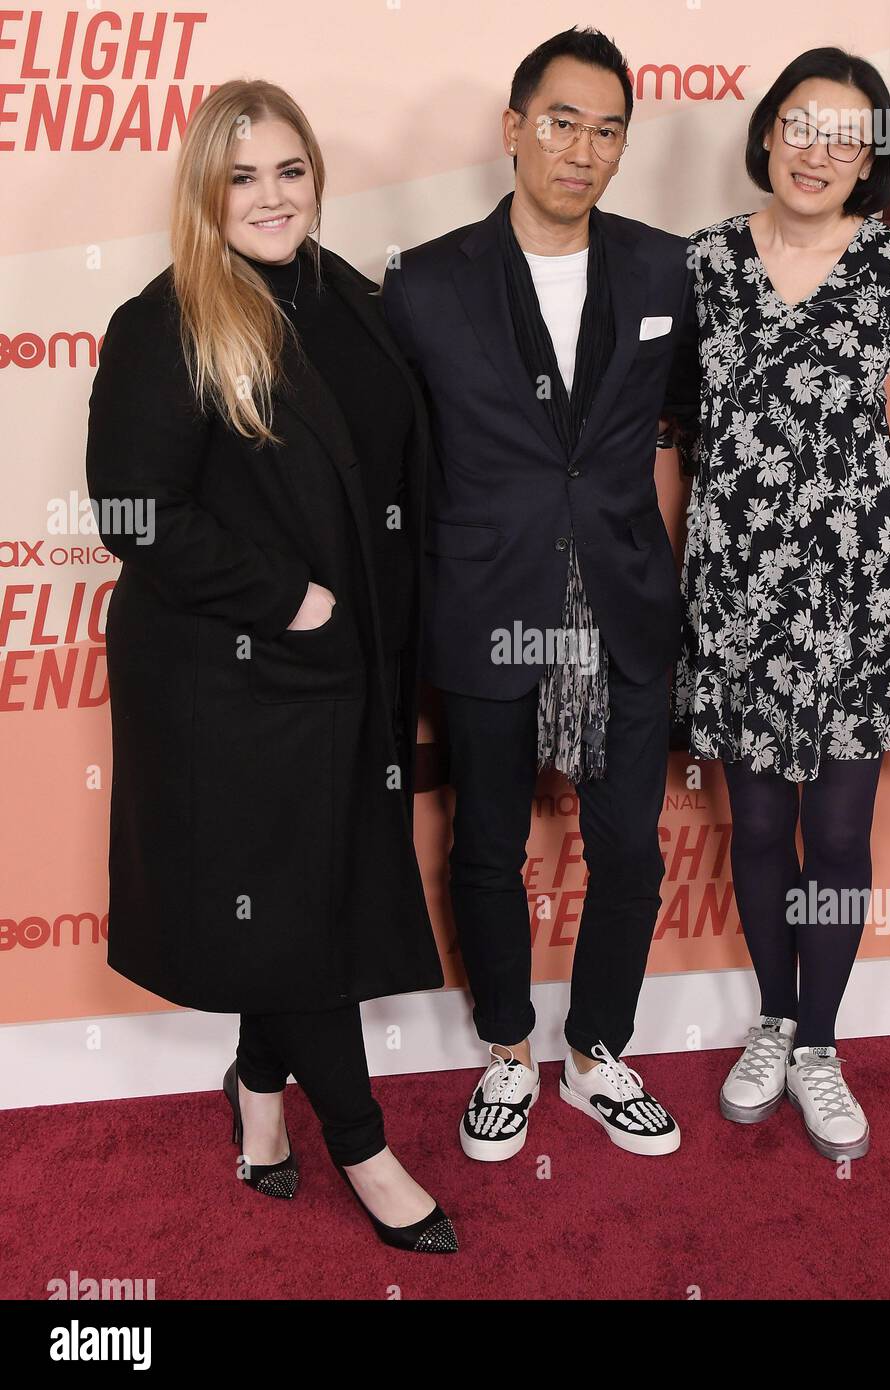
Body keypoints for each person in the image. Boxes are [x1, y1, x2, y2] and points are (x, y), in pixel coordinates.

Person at [85, 79, 457, 1252]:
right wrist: (289, 600)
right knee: (299, 906)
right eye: (241, 175)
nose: (270, 195)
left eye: (288, 170)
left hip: (348, 668)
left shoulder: (346, 297)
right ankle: (359, 1139)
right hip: (230, 678)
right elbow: (135, 509)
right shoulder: (169, 319)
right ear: (205, 189)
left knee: (294, 894)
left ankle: (258, 1091)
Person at [383, 26, 694, 1160]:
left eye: (607, 129)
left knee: (629, 851)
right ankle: (508, 1050)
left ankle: (598, 1049)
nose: (584, 149)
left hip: (622, 601)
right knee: (485, 848)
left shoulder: (666, 269)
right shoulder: (420, 284)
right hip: (483, 596)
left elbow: (710, 416)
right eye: (561, 121)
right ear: (512, 129)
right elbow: (391, 458)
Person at [670, 47, 890, 1162]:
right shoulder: (696, 264)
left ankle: (821, 1045)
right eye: (803, 123)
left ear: (872, 160)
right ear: (766, 131)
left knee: (836, 832)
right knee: (754, 823)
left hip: (857, 584)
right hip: (737, 584)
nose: (819, 151)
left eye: (847, 136)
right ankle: (773, 1018)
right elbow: (654, 416)